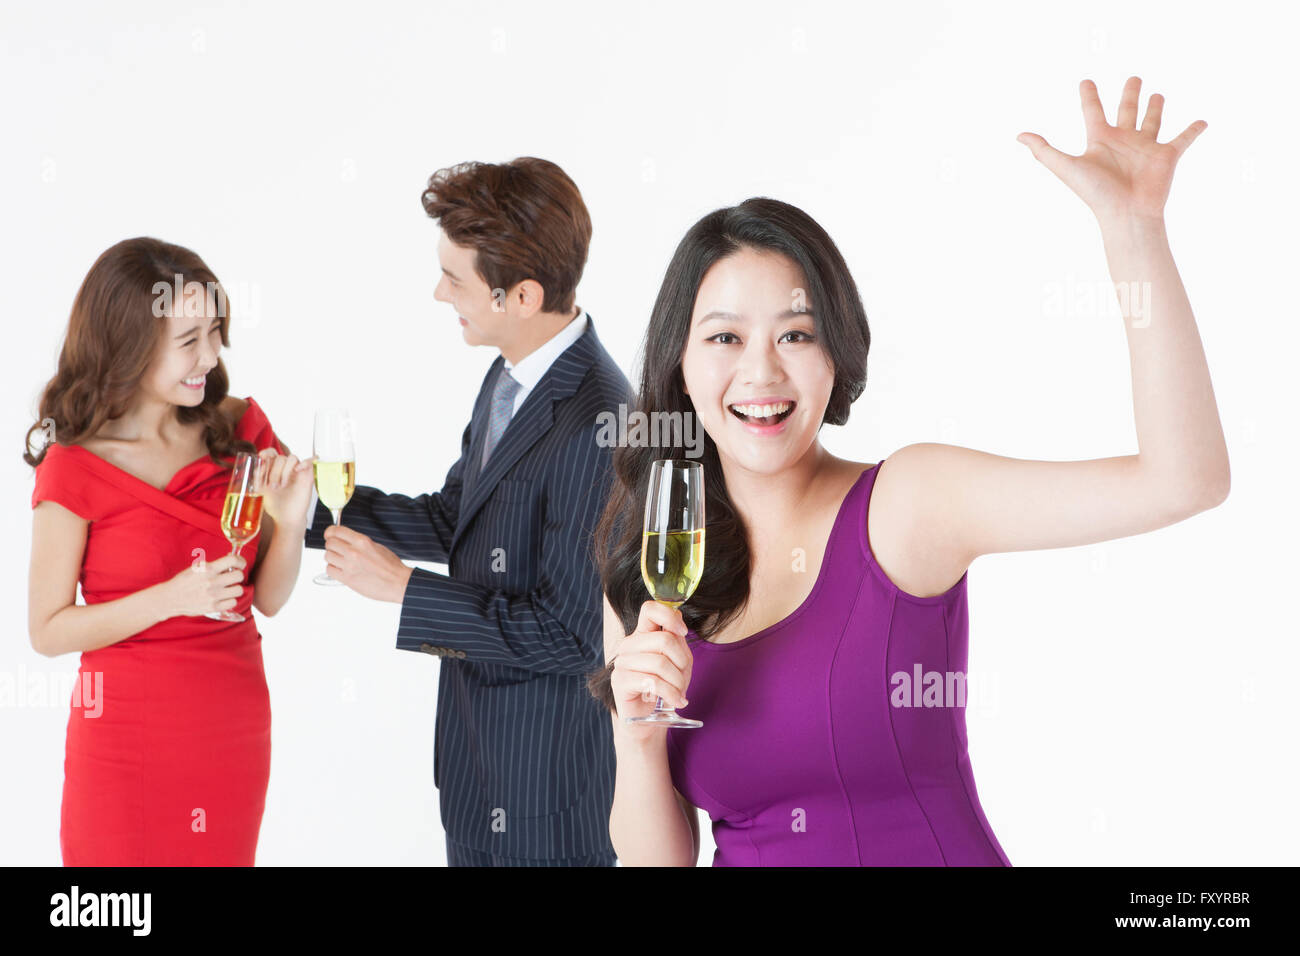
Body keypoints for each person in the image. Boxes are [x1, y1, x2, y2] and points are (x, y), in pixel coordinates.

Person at [589, 76, 1228, 865]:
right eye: (724, 338)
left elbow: (1183, 481)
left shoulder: (907, 504)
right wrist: (638, 734)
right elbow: (659, 860)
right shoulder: (651, 569)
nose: (761, 373)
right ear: (679, 366)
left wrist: (1134, 231)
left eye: (796, 334)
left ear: (836, 355)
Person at [303, 157, 633, 866]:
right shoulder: (510, 372)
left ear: (522, 296)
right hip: (478, 779)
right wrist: (306, 508)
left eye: (455, 279)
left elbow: (574, 637)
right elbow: (458, 519)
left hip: (548, 799)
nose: (437, 292)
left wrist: (405, 590)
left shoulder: (599, 420)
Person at [25, 237, 315, 865]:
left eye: (215, 331)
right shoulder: (75, 466)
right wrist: (172, 598)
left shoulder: (238, 428)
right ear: (128, 348)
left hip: (228, 729)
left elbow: (267, 598)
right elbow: (46, 631)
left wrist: (288, 526)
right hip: (122, 740)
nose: (210, 355)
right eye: (189, 340)